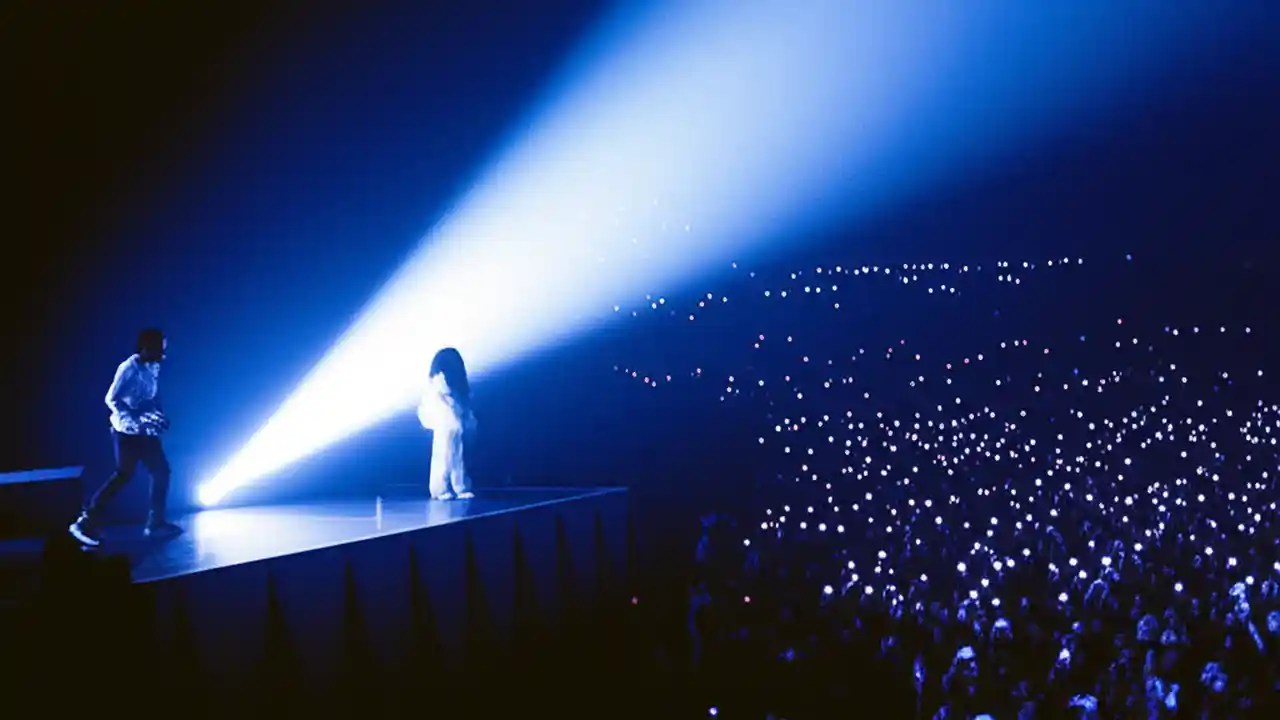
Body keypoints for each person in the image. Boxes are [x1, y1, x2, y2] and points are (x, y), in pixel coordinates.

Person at [69, 328, 181, 546]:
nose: (162, 353)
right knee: (123, 475)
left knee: (161, 472)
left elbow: (151, 395)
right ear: (146, 347)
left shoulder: (154, 365)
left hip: (144, 432)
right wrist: (135, 418)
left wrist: (157, 415)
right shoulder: (128, 368)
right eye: (158, 348)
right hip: (126, 432)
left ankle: (155, 523)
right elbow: (111, 399)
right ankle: (85, 522)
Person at [416, 347, 477, 500]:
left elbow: (461, 399)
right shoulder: (438, 381)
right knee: (443, 454)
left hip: (453, 421)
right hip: (443, 419)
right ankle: (440, 488)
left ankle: (460, 486)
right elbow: (439, 399)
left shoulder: (453, 382)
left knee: (457, 453)